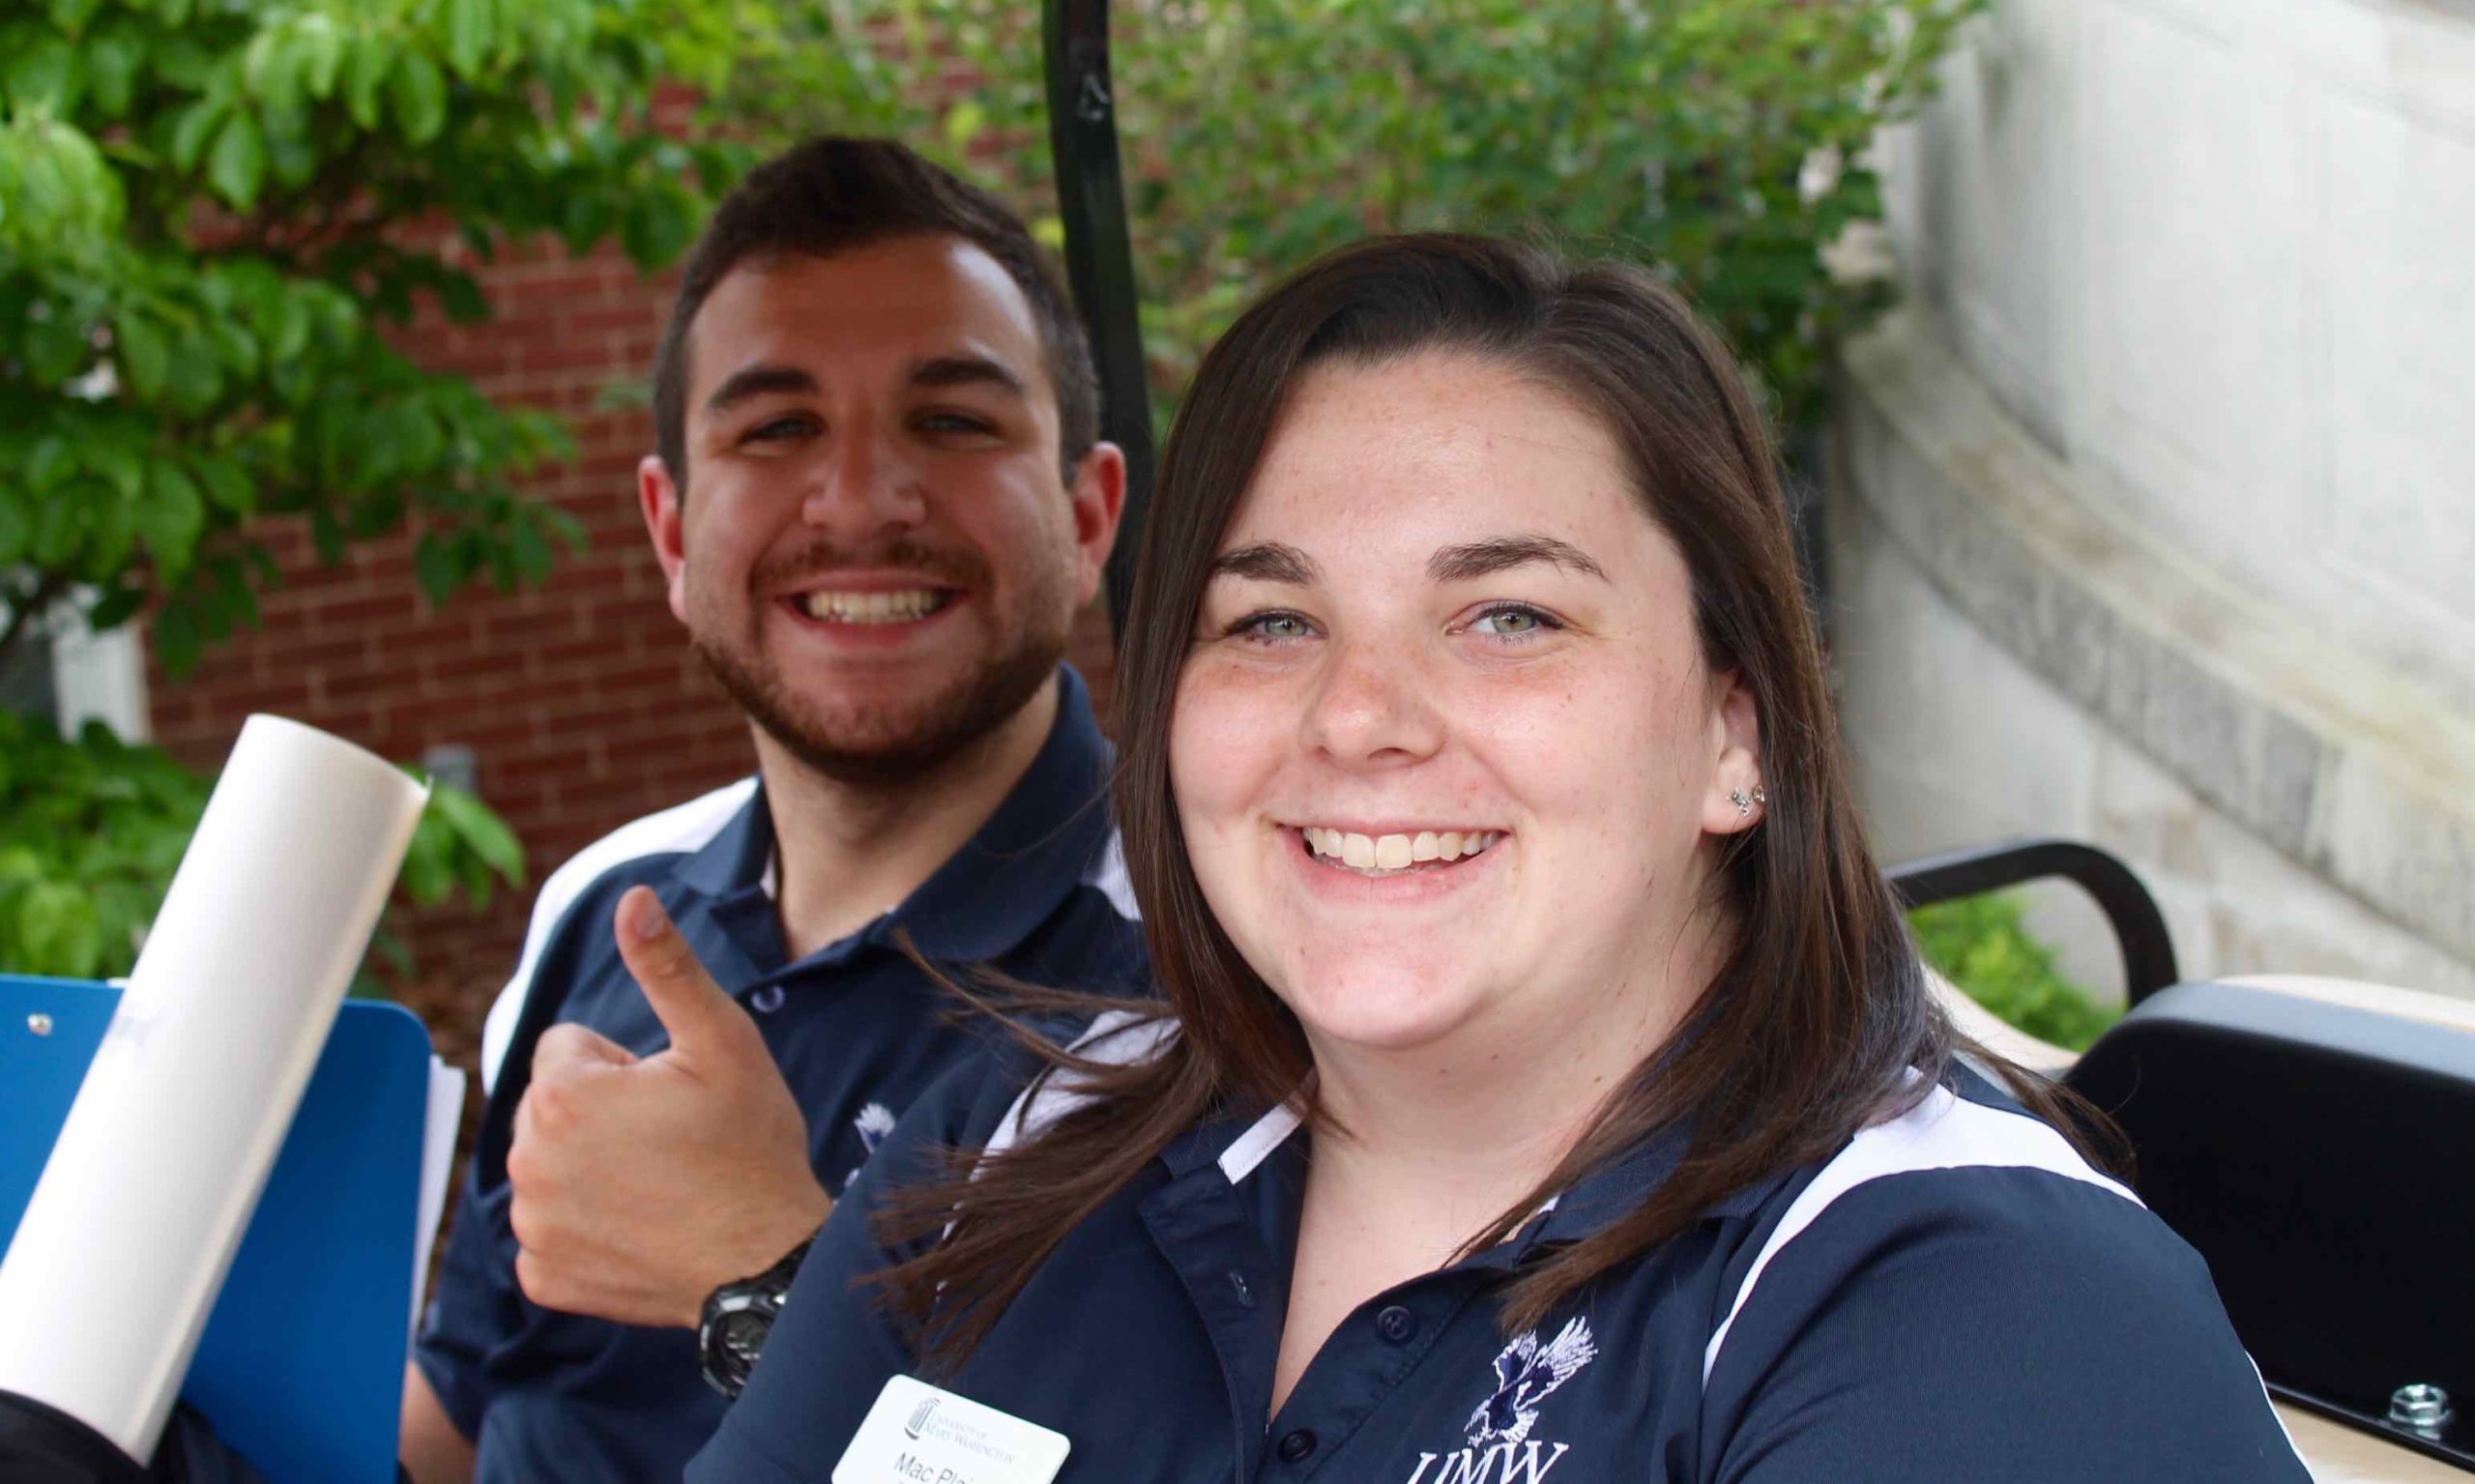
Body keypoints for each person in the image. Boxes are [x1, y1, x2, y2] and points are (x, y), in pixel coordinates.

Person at [690, 235, 2310, 1482]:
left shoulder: (1970, 1312)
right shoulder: (1007, 1154)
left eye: (1509, 616)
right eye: (1270, 621)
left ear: (1736, 736)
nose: (1363, 716)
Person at [399, 137, 1143, 1484]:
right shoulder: (606, 904)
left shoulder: (1222, 972)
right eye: (777, 427)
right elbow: (445, 1425)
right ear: (673, 535)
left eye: (956, 420)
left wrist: (770, 1277)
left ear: (1089, 516)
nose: (861, 501)